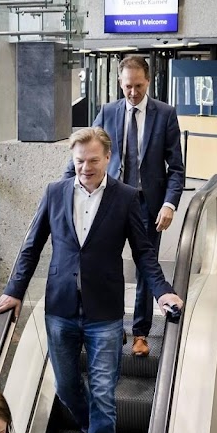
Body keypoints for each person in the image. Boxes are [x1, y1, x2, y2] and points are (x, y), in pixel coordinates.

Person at [0, 127, 184, 433]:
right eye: (79, 160)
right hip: (60, 308)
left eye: (93, 160)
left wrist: (162, 290)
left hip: (104, 314)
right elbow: (31, 246)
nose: (85, 168)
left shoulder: (128, 198)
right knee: (66, 386)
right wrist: (14, 290)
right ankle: (86, 426)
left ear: (108, 158)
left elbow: (145, 254)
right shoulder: (55, 192)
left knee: (103, 395)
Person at [64, 55, 184, 358]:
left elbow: (177, 168)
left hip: (149, 205)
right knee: (105, 266)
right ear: (120, 83)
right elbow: (81, 153)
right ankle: (111, 326)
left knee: (146, 267)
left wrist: (169, 203)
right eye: (128, 86)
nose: (133, 92)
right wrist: (64, 190)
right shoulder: (107, 112)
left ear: (149, 81)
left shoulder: (165, 114)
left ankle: (141, 333)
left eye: (139, 86)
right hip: (111, 201)